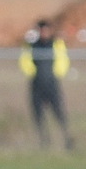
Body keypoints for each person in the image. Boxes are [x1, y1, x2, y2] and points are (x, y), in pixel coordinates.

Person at [18, 19, 72, 149]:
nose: (44, 33)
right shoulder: (31, 46)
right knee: (38, 113)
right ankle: (44, 140)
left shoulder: (56, 44)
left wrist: (56, 74)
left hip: (51, 82)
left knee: (58, 111)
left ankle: (67, 138)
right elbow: (25, 61)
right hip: (37, 82)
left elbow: (63, 60)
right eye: (41, 30)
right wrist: (32, 72)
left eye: (46, 30)